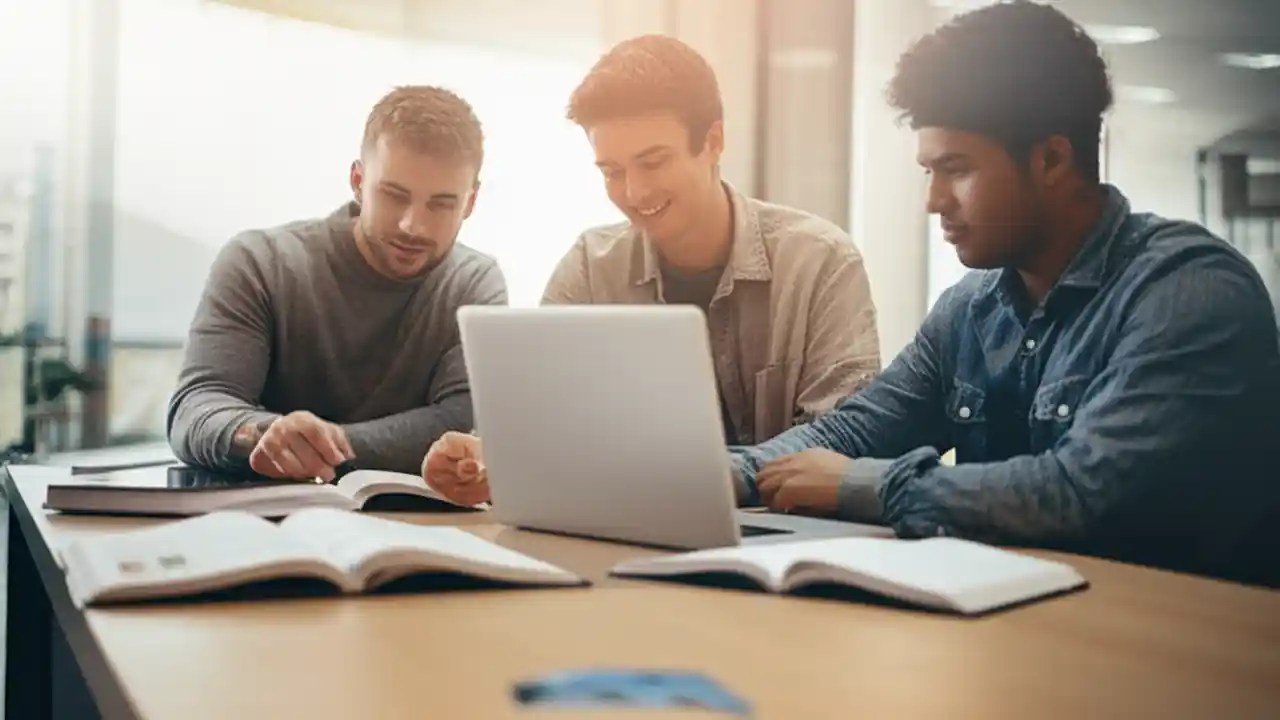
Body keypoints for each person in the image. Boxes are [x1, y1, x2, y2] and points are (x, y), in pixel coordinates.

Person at [729, 1, 1280, 583]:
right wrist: (720, 474)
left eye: (956, 168)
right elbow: (852, 432)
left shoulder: (1190, 292)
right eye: (928, 171)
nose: (934, 201)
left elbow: (1081, 493)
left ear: (1050, 159)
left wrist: (863, 485)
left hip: (1178, 646)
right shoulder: (970, 309)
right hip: (1020, 628)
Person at [422, 35, 881, 505]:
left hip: (789, 536)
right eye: (611, 171)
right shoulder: (589, 266)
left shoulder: (821, 260)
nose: (634, 192)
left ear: (714, 142)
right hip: (628, 529)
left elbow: (847, 441)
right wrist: (487, 459)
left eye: (653, 162)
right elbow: (537, 425)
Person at [168, 86, 506, 482]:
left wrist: (324, 445)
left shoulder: (473, 283)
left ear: (470, 204)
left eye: (442, 204)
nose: (413, 225)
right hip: (258, 520)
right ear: (358, 181)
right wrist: (260, 435)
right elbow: (197, 405)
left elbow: (465, 420)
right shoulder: (259, 262)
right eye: (394, 196)